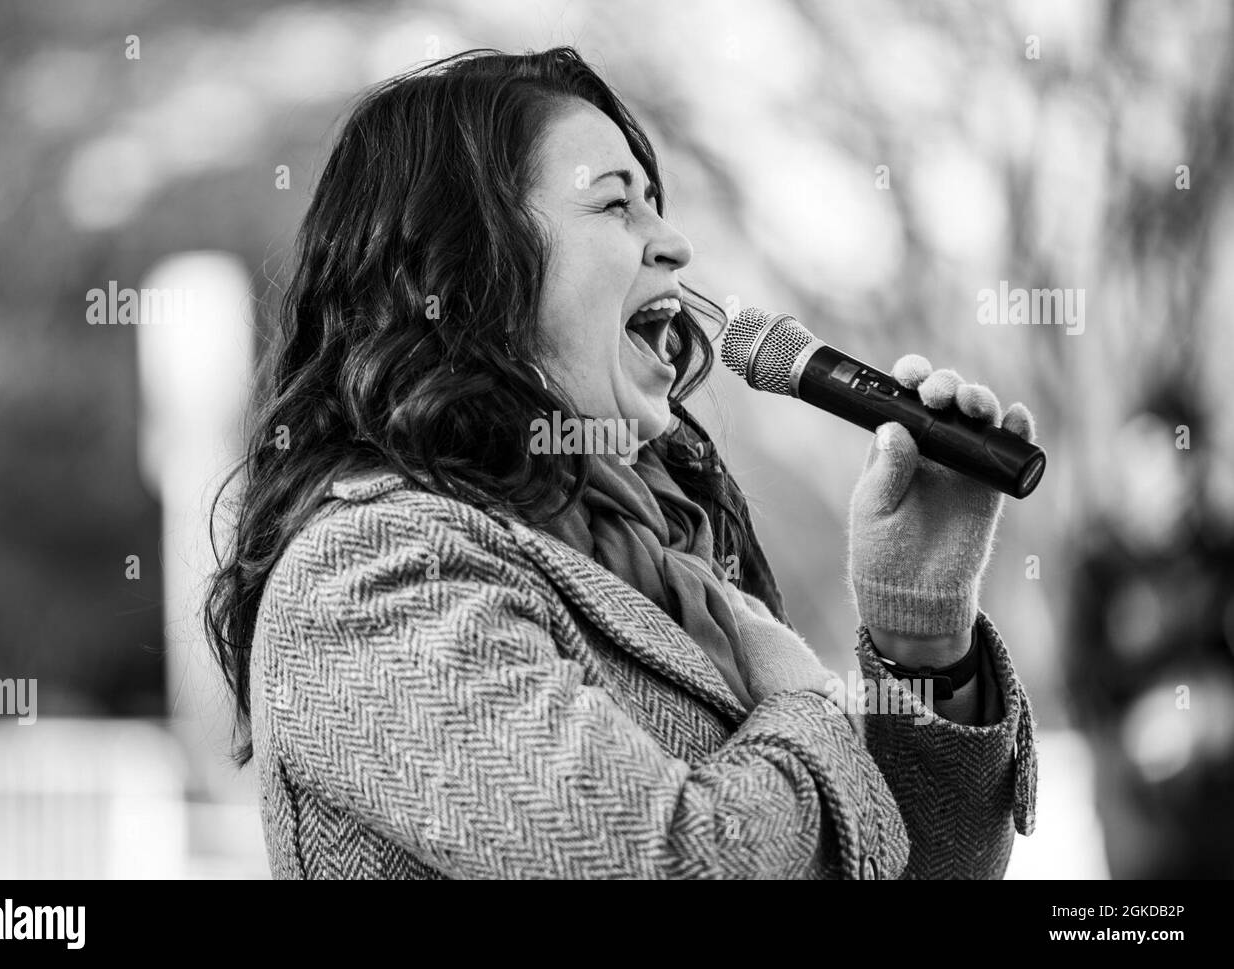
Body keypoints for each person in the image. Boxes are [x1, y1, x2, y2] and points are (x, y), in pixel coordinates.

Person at [205, 46, 1037, 879]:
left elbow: (904, 866)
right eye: (615, 205)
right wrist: (801, 705)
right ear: (466, 273)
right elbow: (673, 862)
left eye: (655, 203)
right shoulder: (368, 573)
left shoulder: (682, 556)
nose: (672, 242)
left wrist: (920, 630)